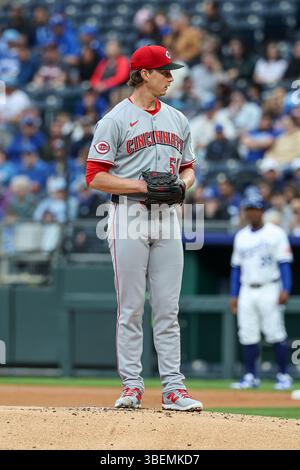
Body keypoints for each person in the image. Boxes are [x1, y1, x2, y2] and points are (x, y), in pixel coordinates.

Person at [86, 44, 203, 411]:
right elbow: (95, 177)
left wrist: (183, 186)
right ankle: (132, 386)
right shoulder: (115, 119)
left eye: (171, 71)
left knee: (168, 308)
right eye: (165, 71)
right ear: (144, 74)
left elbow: (189, 169)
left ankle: (174, 389)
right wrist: (140, 185)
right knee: (131, 308)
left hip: (168, 217)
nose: (171, 77)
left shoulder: (178, 119)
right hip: (128, 216)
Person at [229, 194, 293, 390]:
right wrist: (234, 295)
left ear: (262, 211)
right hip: (247, 289)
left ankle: (283, 375)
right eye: (248, 209)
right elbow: (236, 268)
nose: (251, 213)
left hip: (269, 287)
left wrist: (286, 288)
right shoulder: (241, 236)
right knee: (248, 334)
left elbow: (284, 263)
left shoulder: (276, 233)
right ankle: (250, 376)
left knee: (275, 332)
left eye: (255, 209)